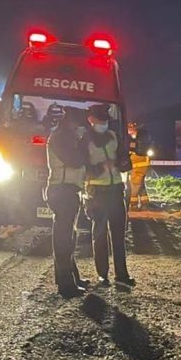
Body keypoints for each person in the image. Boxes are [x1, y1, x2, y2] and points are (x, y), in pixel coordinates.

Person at [84, 104, 134, 286]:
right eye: (100, 120)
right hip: (97, 193)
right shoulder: (84, 141)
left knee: (119, 235)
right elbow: (83, 169)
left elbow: (126, 163)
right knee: (99, 234)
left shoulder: (114, 137)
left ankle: (122, 275)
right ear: (91, 120)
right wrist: (100, 167)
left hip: (116, 190)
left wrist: (123, 162)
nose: (104, 123)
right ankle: (102, 275)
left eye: (106, 120)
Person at [45, 106, 90, 297]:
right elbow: (75, 161)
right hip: (62, 191)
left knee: (69, 238)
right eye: (79, 124)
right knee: (64, 240)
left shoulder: (65, 136)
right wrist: (85, 145)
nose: (81, 128)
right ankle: (66, 285)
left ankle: (71, 278)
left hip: (67, 190)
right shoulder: (61, 138)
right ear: (71, 122)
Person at [126, 122, 151, 210]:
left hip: (138, 166)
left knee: (135, 185)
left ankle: (133, 205)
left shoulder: (136, 141)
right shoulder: (140, 139)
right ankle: (145, 203)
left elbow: (133, 150)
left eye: (129, 128)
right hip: (141, 165)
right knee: (140, 184)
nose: (128, 130)